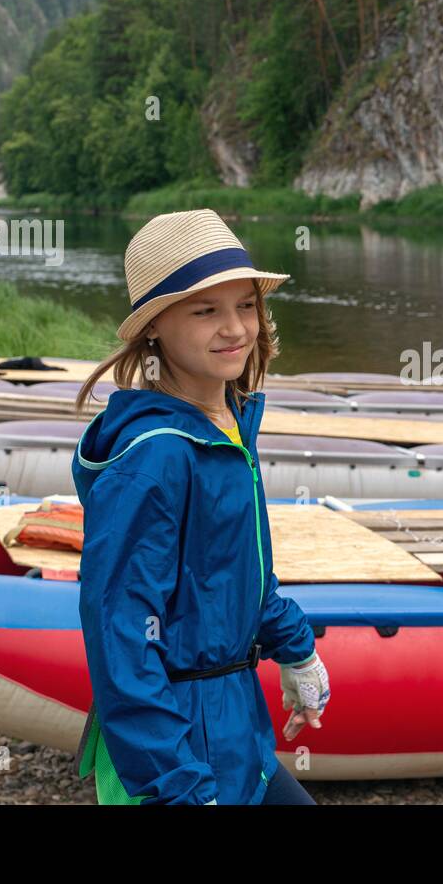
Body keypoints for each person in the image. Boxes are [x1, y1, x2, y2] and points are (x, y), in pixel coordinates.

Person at [69, 208, 329, 805]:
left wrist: (295, 647)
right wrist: (176, 787)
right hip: (176, 752)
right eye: (206, 309)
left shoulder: (230, 423)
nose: (236, 327)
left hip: (235, 726)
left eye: (245, 305)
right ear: (154, 327)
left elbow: (241, 570)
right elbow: (121, 637)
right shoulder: (155, 458)